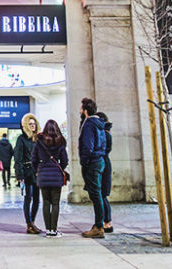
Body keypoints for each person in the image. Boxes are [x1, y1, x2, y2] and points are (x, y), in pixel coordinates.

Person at [31, 119, 69, 238]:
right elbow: (65, 161)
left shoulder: (39, 142)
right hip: (56, 175)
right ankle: (54, 230)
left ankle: (48, 230)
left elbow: (33, 159)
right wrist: (58, 168)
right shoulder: (60, 142)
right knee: (55, 203)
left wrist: (38, 170)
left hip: (43, 174)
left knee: (46, 202)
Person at [78, 97, 107, 238]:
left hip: (93, 163)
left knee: (96, 195)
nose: (79, 110)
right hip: (99, 160)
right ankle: (99, 224)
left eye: (80, 108)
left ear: (85, 110)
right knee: (98, 194)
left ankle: (99, 226)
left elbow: (87, 147)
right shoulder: (99, 123)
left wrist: (84, 162)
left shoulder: (89, 124)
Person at [14, 113, 42, 234]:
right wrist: (19, 175)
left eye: (34, 124)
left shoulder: (38, 139)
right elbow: (17, 158)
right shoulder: (21, 139)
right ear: (25, 125)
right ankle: (29, 223)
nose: (33, 126)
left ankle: (32, 223)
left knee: (37, 199)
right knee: (28, 197)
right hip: (27, 172)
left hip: (38, 172)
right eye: (30, 124)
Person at [96, 112, 113, 233]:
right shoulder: (105, 133)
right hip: (103, 163)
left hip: (103, 165)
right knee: (102, 195)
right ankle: (105, 221)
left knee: (102, 195)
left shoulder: (104, 134)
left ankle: (107, 222)